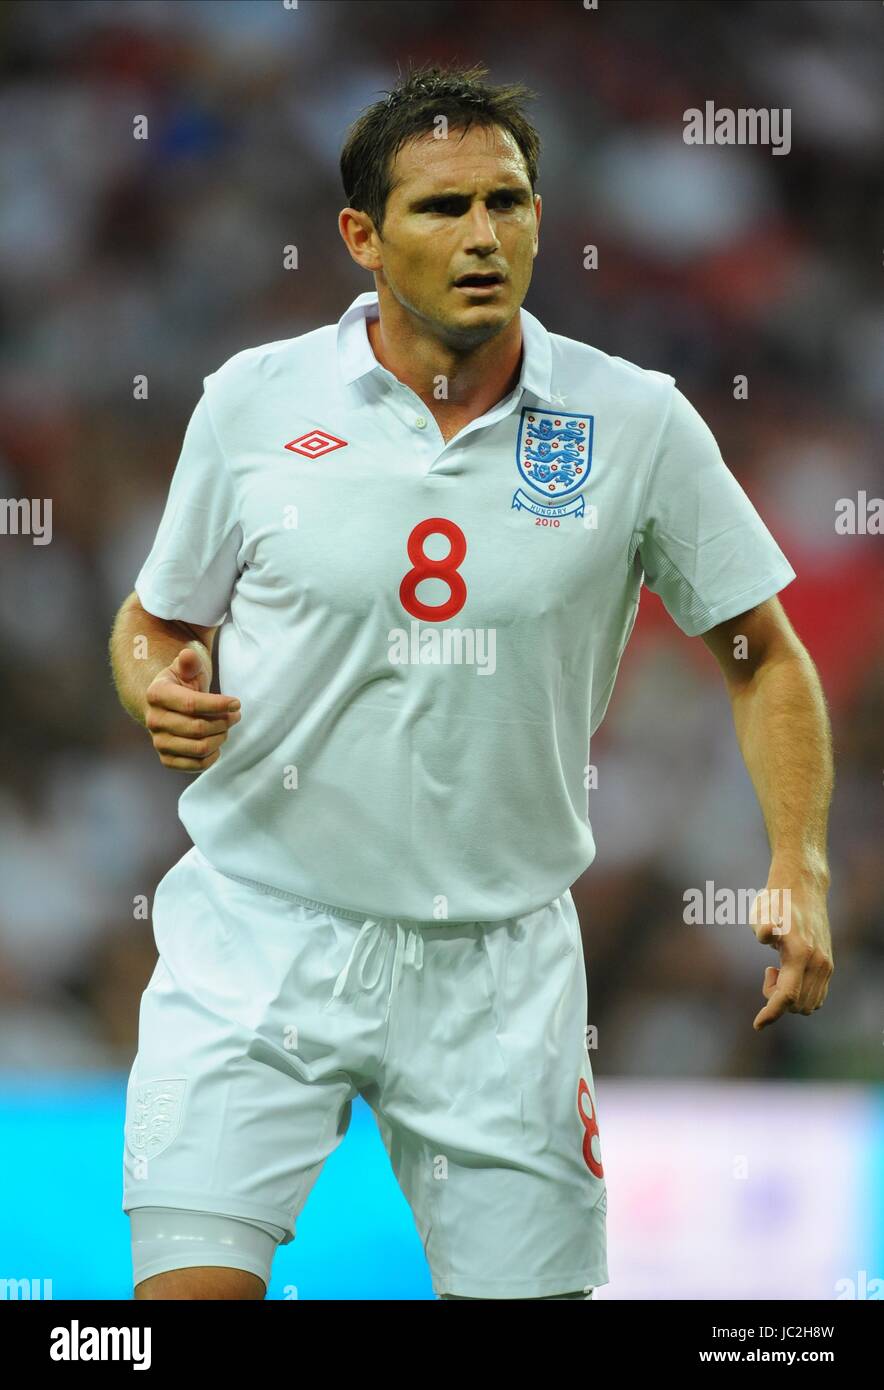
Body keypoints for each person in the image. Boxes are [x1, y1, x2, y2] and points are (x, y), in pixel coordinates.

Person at [109, 62, 834, 1301]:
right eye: (443, 209)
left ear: (540, 219)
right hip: (259, 934)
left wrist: (796, 864)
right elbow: (154, 618)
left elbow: (760, 650)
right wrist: (153, 688)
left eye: (508, 201)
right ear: (361, 237)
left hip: (497, 967)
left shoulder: (635, 422)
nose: (484, 233)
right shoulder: (253, 403)